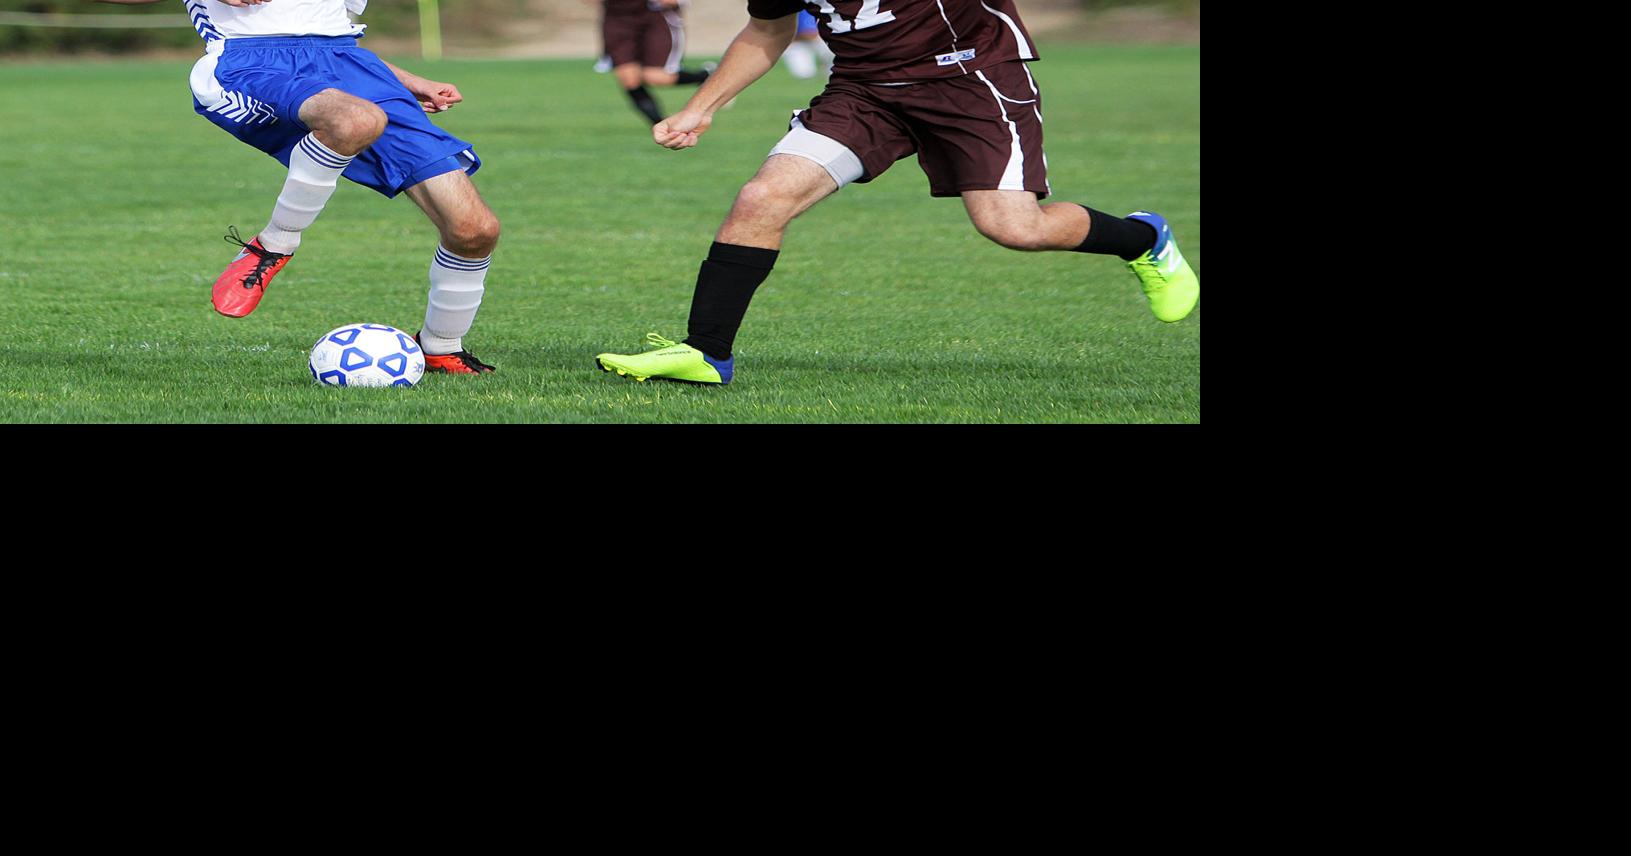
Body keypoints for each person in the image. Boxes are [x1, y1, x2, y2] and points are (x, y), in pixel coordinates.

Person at [595, 1, 1199, 386]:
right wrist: (702, 110)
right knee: (761, 198)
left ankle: (1144, 238)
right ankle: (706, 353)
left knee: (1015, 228)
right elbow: (768, 29)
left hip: (972, 79)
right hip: (864, 92)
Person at [96, 0, 500, 373]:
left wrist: (403, 80)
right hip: (251, 63)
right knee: (355, 121)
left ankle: (441, 345)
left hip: (353, 67)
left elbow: (329, 37)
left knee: (474, 230)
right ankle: (273, 244)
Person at [596, 0, 713, 125]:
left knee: (655, 76)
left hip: (654, 17)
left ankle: (708, 76)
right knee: (629, 79)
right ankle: (660, 124)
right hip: (617, 19)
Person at [780, 10, 832, 80]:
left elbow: (810, 34)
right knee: (805, 75)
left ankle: (832, 70)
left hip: (816, 40)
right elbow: (808, 34)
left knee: (835, 45)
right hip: (797, 45)